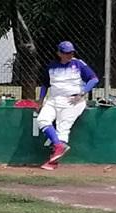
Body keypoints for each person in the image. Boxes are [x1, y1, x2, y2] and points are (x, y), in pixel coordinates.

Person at [36, 40, 100, 170]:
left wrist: (82, 93)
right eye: (66, 53)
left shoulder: (79, 64)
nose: (69, 55)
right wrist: (40, 101)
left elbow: (94, 79)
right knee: (42, 120)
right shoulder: (51, 66)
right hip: (53, 99)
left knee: (63, 129)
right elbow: (45, 84)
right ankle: (58, 146)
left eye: (71, 52)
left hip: (72, 101)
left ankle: (53, 162)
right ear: (59, 53)